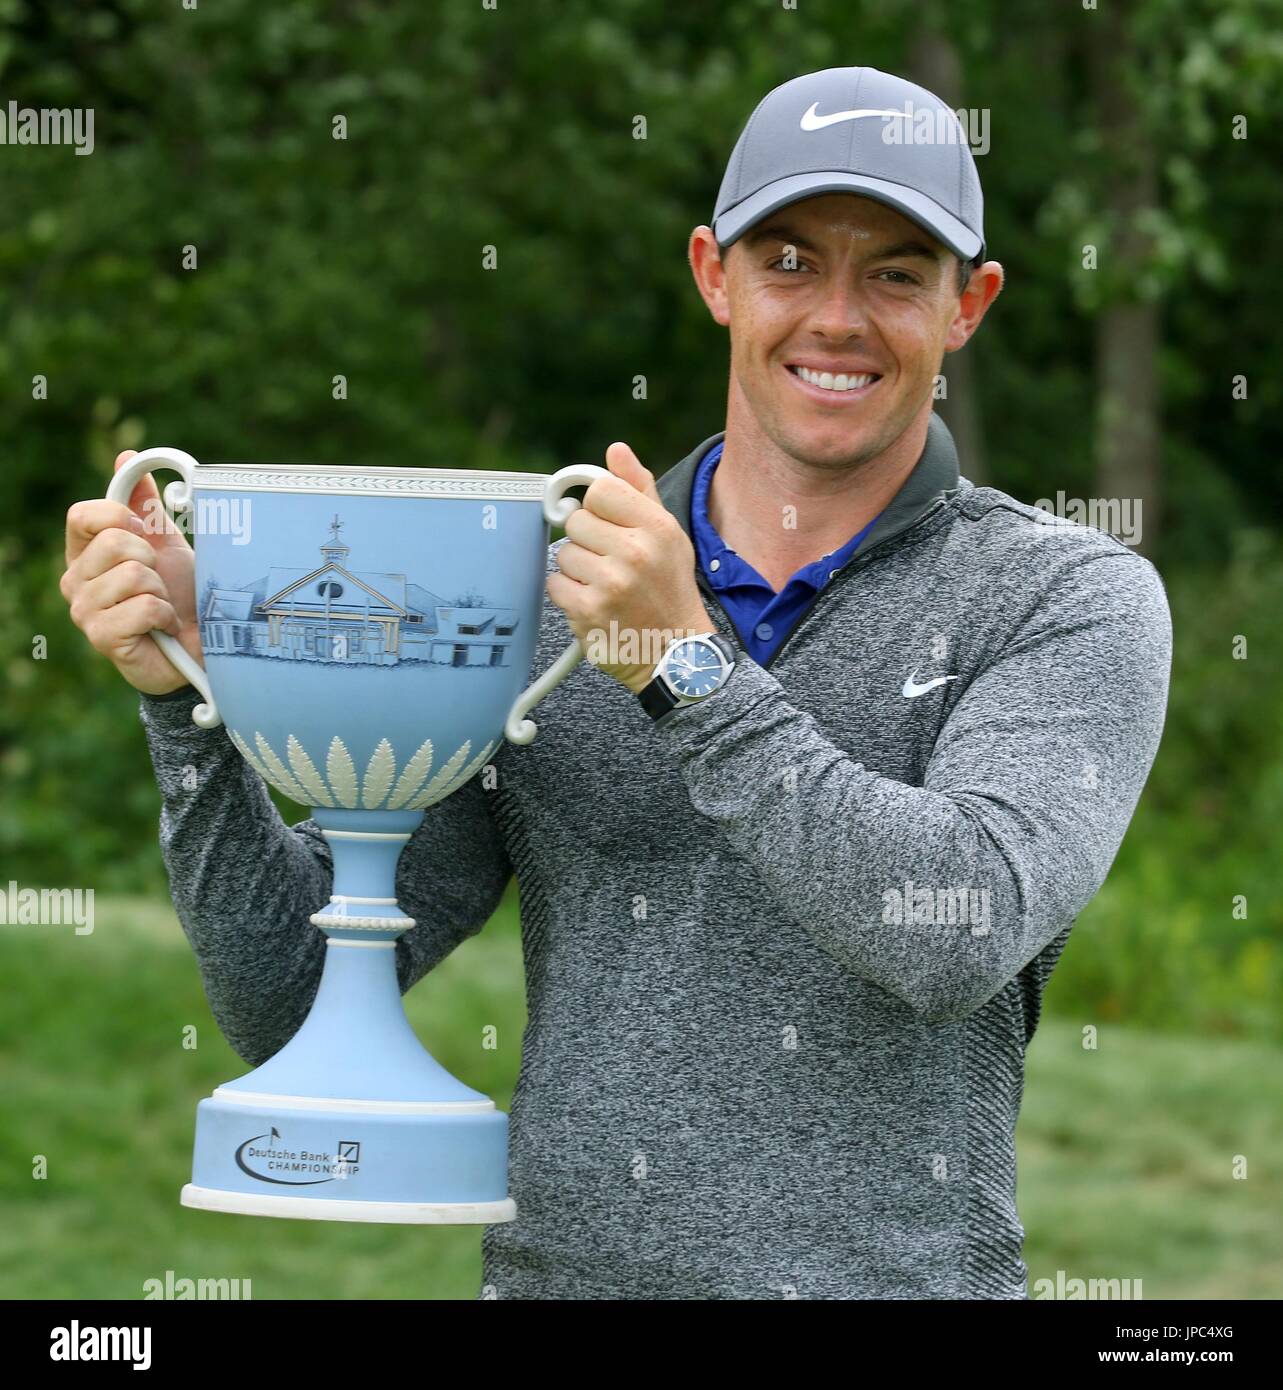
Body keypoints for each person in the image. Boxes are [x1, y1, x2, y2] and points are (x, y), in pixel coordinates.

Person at [60, 66, 1171, 1299]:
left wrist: (680, 666)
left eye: (897, 273)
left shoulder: (1063, 594)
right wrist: (189, 701)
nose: (837, 317)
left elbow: (954, 926)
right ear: (713, 274)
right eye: (789, 262)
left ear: (969, 304)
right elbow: (291, 994)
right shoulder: (533, 593)